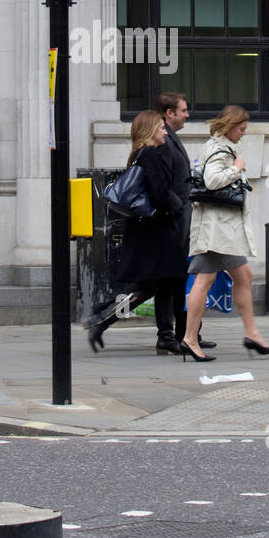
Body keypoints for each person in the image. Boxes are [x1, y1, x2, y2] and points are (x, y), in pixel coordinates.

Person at [182, 104, 269, 363]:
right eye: (242, 129)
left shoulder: (221, 147)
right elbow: (213, 181)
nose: (244, 134)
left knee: (244, 276)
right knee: (204, 281)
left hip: (224, 231)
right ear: (231, 126)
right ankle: (190, 338)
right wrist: (237, 167)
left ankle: (252, 334)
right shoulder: (219, 149)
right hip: (216, 231)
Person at [90, 110, 188, 355]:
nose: (165, 131)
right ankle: (102, 319)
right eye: (160, 128)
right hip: (157, 231)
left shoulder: (138, 154)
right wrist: (179, 206)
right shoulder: (151, 155)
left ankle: (167, 336)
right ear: (149, 131)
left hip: (151, 229)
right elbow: (160, 193)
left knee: (164, 283)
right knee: (154, 284)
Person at [155, 91, 215, 352]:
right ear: (169, 113)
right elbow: (162, 184)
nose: (187, 114)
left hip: (180, 221)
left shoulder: (172, 139)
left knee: (180, 279)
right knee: (169, 281)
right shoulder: (162, 140)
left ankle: (186, 333)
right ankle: (168, 336)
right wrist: (179, 207)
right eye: (183, 110)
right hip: (171, 223)